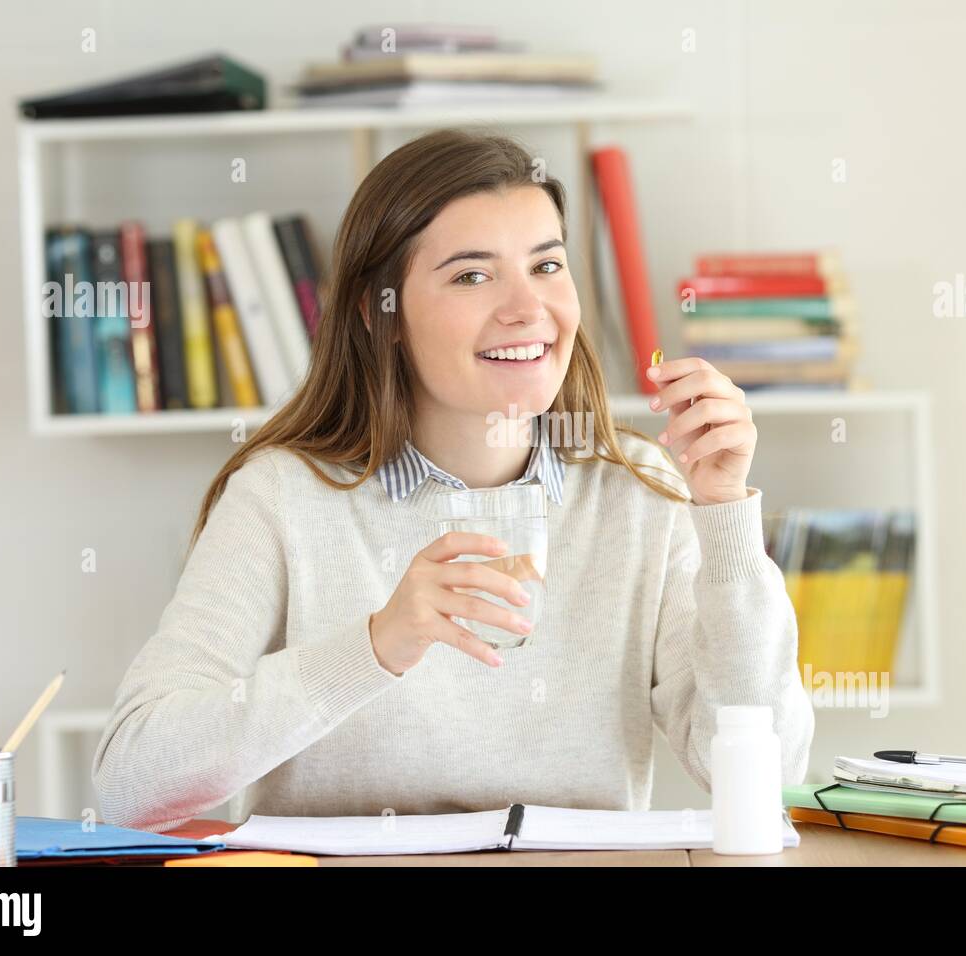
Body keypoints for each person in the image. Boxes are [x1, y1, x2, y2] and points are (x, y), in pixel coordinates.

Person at [92, 128, 813, 832]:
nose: (527, 308)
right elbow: (131, 783)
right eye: (472, 275)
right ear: (386, 316)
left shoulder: (640, 491)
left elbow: (767, 773)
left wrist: (723, 517)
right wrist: (373, 648)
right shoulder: (282, 496)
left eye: (547, 266)